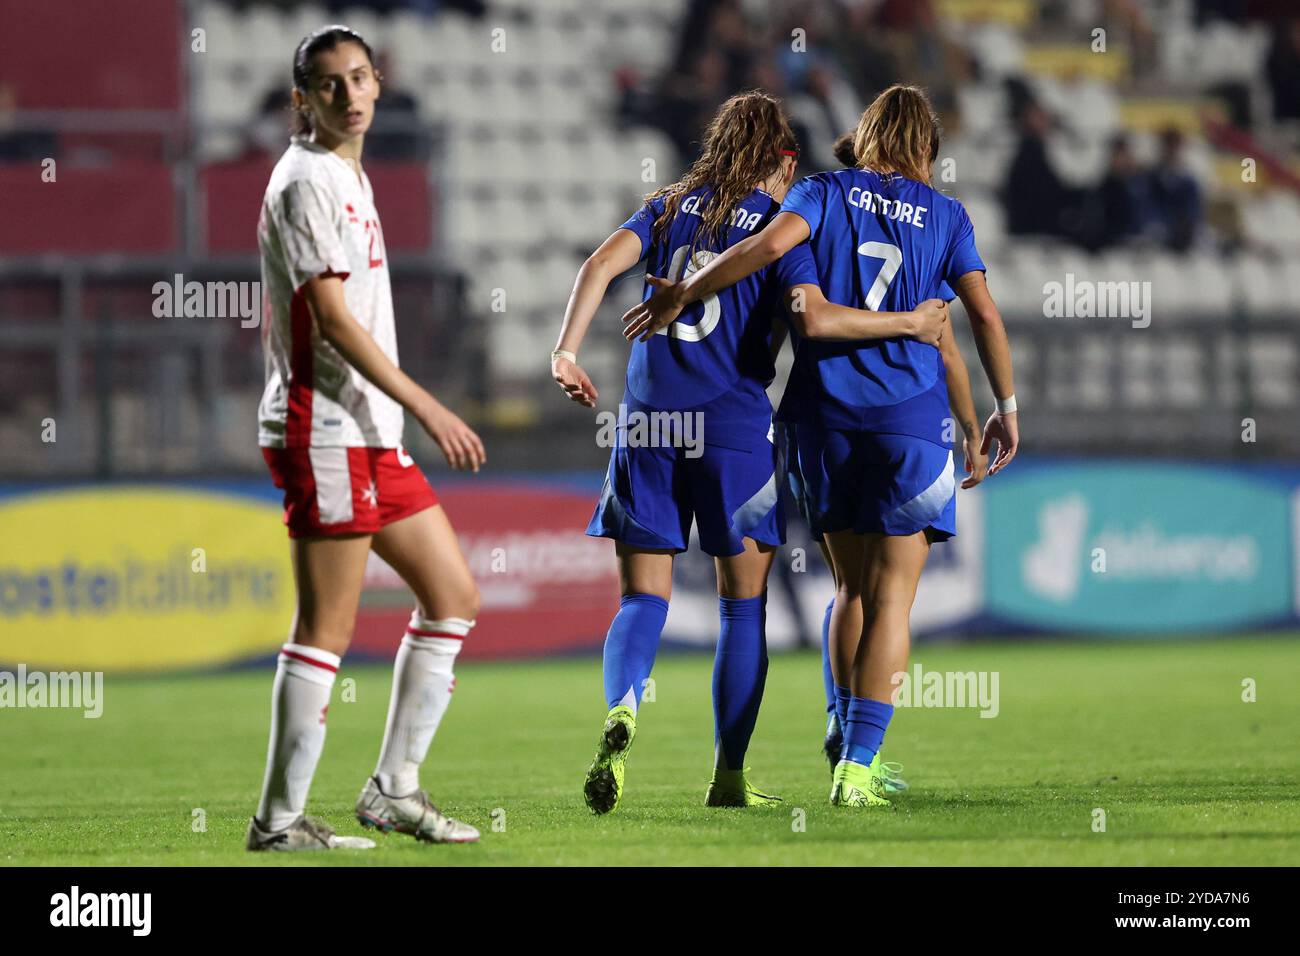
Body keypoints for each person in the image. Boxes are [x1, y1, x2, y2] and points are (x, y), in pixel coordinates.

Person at [551, 91, 948, 814]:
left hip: (644, 423)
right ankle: (728, 777)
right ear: (785, 160)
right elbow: (813, 318)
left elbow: (599, 265)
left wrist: (565, 350)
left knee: (643, 597)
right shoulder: (781, 226)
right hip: (733, 425)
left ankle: (623, 710)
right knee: (743, 608)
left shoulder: (668, 206)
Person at [622, 84, 1018, 809]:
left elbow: (764, 247)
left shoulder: (822, 193)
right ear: (926, 147)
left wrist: (689, 290)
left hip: (820, 419)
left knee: (849, 588)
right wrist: (995, 414)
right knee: (894, 598)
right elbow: (973, 323)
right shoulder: (948, 216)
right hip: (909, 419)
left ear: (864, 135)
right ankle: (858, 766)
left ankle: (840, 729)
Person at [249, 24, 486, 851]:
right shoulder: (305, 181)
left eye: (359, 78)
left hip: (367, 432)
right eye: (328, 84)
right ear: (300, 100)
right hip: (327, 427)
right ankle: (277, 822)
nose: (349, 96)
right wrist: (431, 404)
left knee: (453, 597)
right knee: (326, 630)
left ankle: (392, 790)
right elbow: (336, 326)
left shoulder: (348, 171)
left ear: (378, 83)